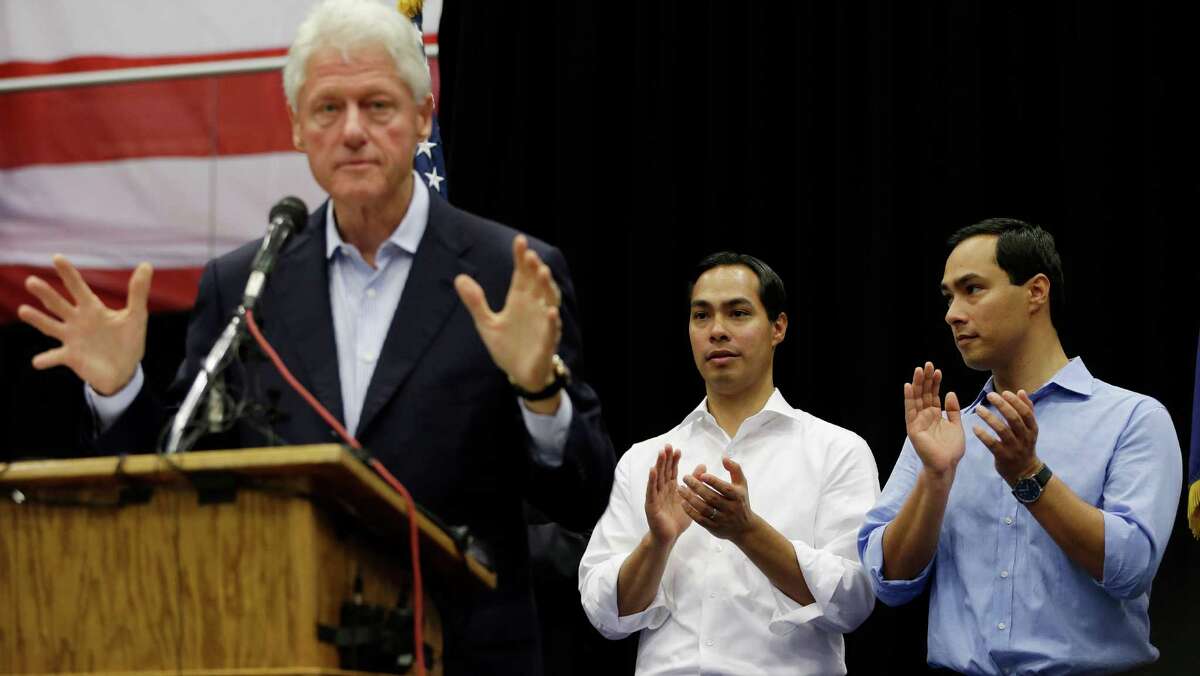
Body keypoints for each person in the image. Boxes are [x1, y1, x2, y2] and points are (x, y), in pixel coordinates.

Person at [15, 1, 615, 673]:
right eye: (328, 108)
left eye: (377, 105)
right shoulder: (245, 284)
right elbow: (179, 477)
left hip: (462, 650)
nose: (352, 131)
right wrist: (121, 391)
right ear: (298, 128)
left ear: (423, 115)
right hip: (281, 641)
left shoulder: (511, 272)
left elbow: (586, 494)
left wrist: (539, 394)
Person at [858, 219, 1182, 674]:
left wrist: (1029, 475)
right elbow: (888, 581)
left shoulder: (1135, 418)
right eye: (949, 297)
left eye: (972, 289)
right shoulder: (942, 433)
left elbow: (1130, 570)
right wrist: (935, 478)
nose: (952, 314)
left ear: (1036, 292)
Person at [578, 252, 879, 675]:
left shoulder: (837, 450)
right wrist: (657, 543)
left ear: (778, 327)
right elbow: (604, 614)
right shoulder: (645, 459)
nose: (716, 330)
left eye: (738, 313)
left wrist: (746, 530)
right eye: (701, 316)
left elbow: (854, 601)